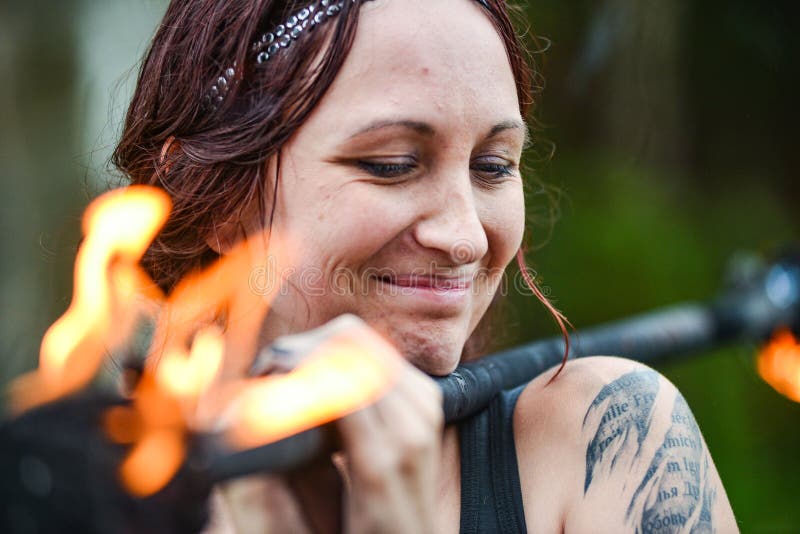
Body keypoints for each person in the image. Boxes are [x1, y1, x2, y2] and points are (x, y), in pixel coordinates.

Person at [113, 0, 739, 531]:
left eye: (494, 166)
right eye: (391, 163)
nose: (465, 238)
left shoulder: (609, 441)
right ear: (218, 200)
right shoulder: (85, 495)